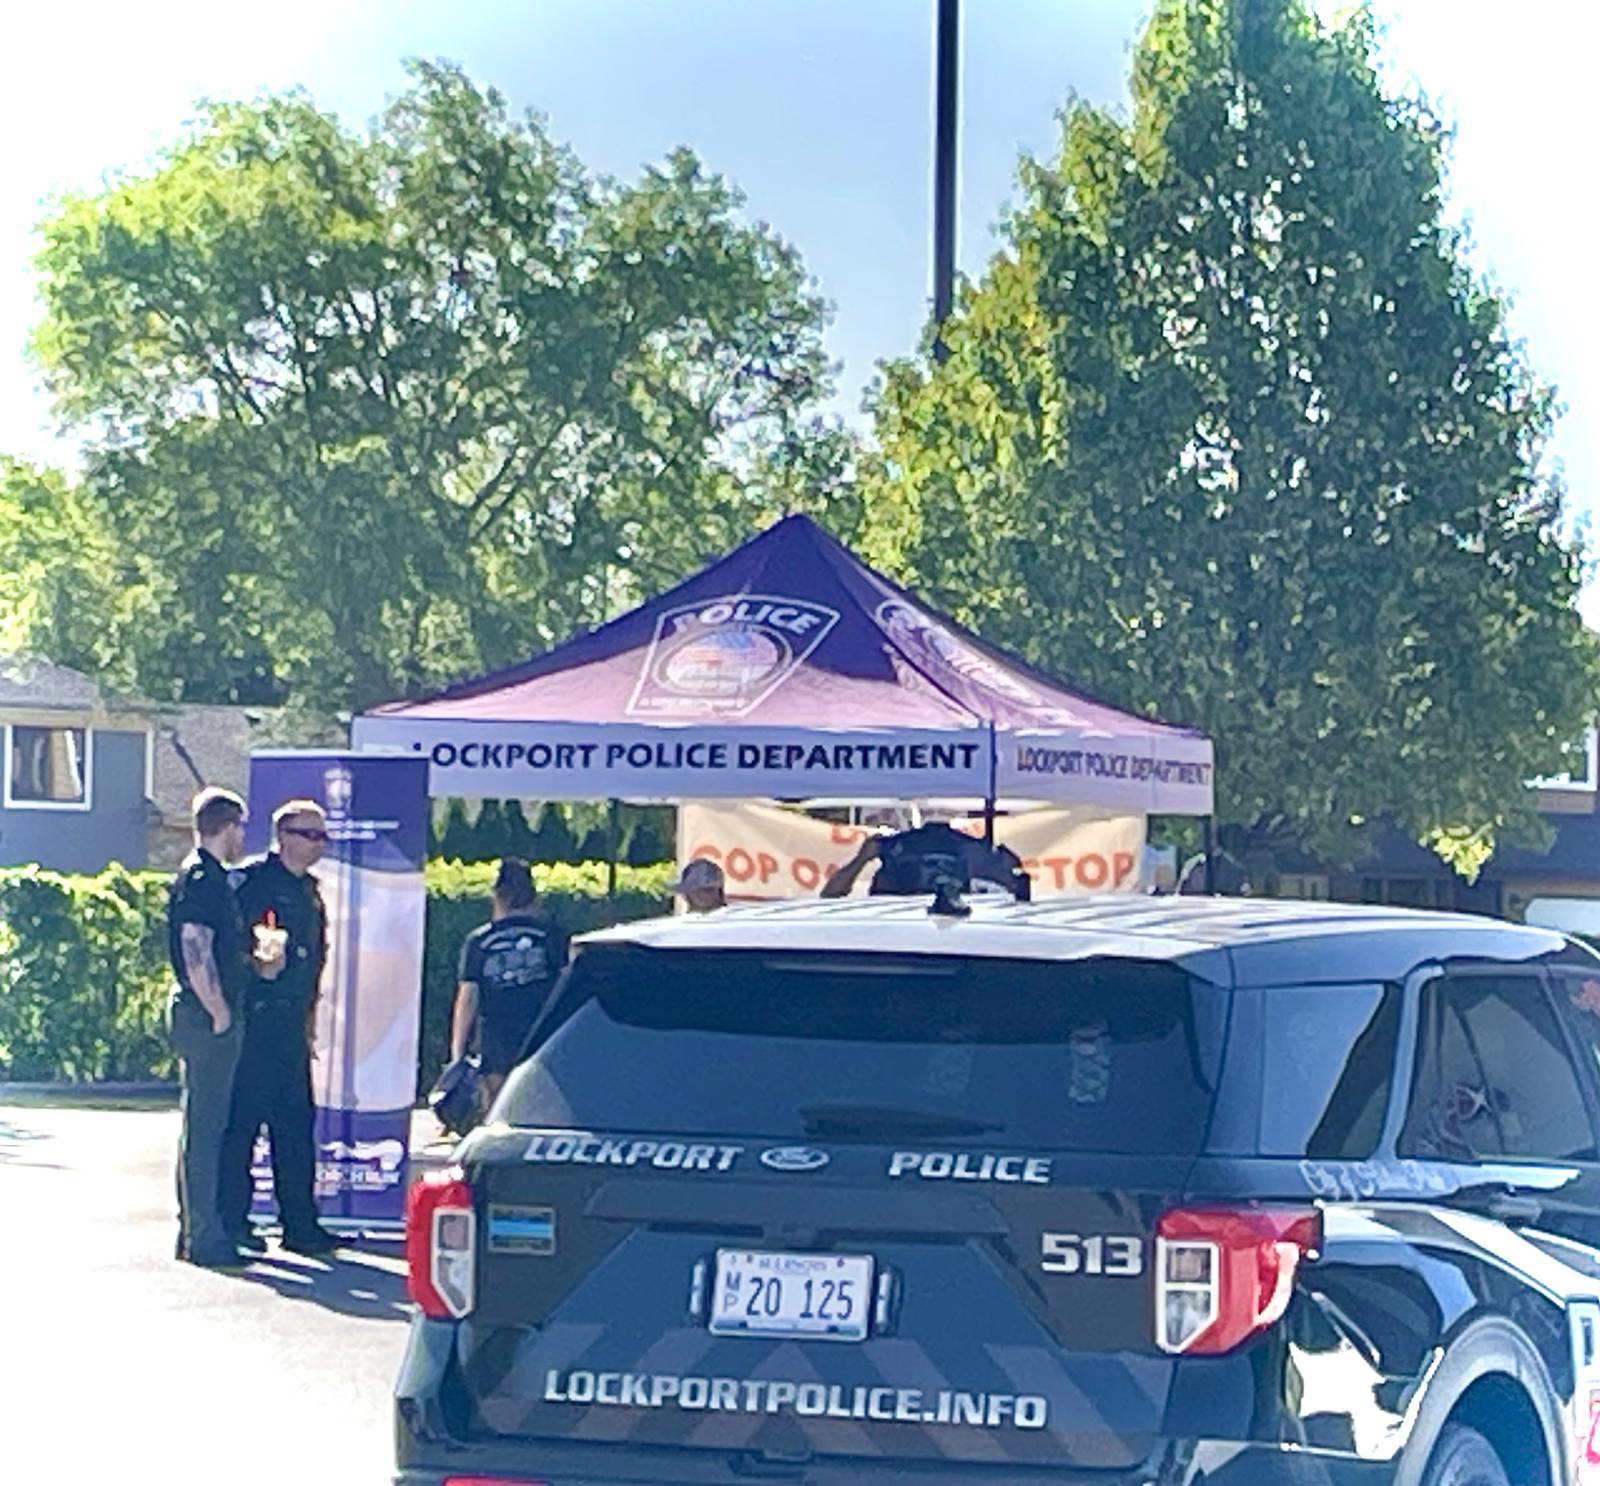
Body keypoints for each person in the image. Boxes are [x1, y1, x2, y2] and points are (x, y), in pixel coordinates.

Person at [167, 787, 282, 1268]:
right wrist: (218, 1009)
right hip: (205, 1015)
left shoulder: (210, 878)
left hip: (209, 1010)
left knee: (204, 1125)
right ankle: (205, 1237)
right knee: (207, 1128)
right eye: (240, 827)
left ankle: (198, 1229)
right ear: (227, 826)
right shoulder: (203, 880)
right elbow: (195, 946)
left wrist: (255, 963)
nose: (243, 837)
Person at [220, 799, 339, 1257]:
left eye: (323, 836)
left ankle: (301, 1226)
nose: (318, 845)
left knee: (294, 1126)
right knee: (243, 1125)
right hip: (255, 1020)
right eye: (310, 835)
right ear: (284, 835)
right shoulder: (250, 883)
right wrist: (254, 966)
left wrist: (308, 1020)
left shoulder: (309, 891)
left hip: (290, 1021)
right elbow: (228, 947)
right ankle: (234, 1221)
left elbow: (314, 963)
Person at [450, 858, 566, 1108]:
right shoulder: (551, 936)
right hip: (541, 1034)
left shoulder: (480, 941)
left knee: (498, 1106)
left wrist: (458, 1053)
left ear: (497, 895)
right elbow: (565, 986)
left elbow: (467, 999)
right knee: (539, 1104)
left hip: (497, 1038)